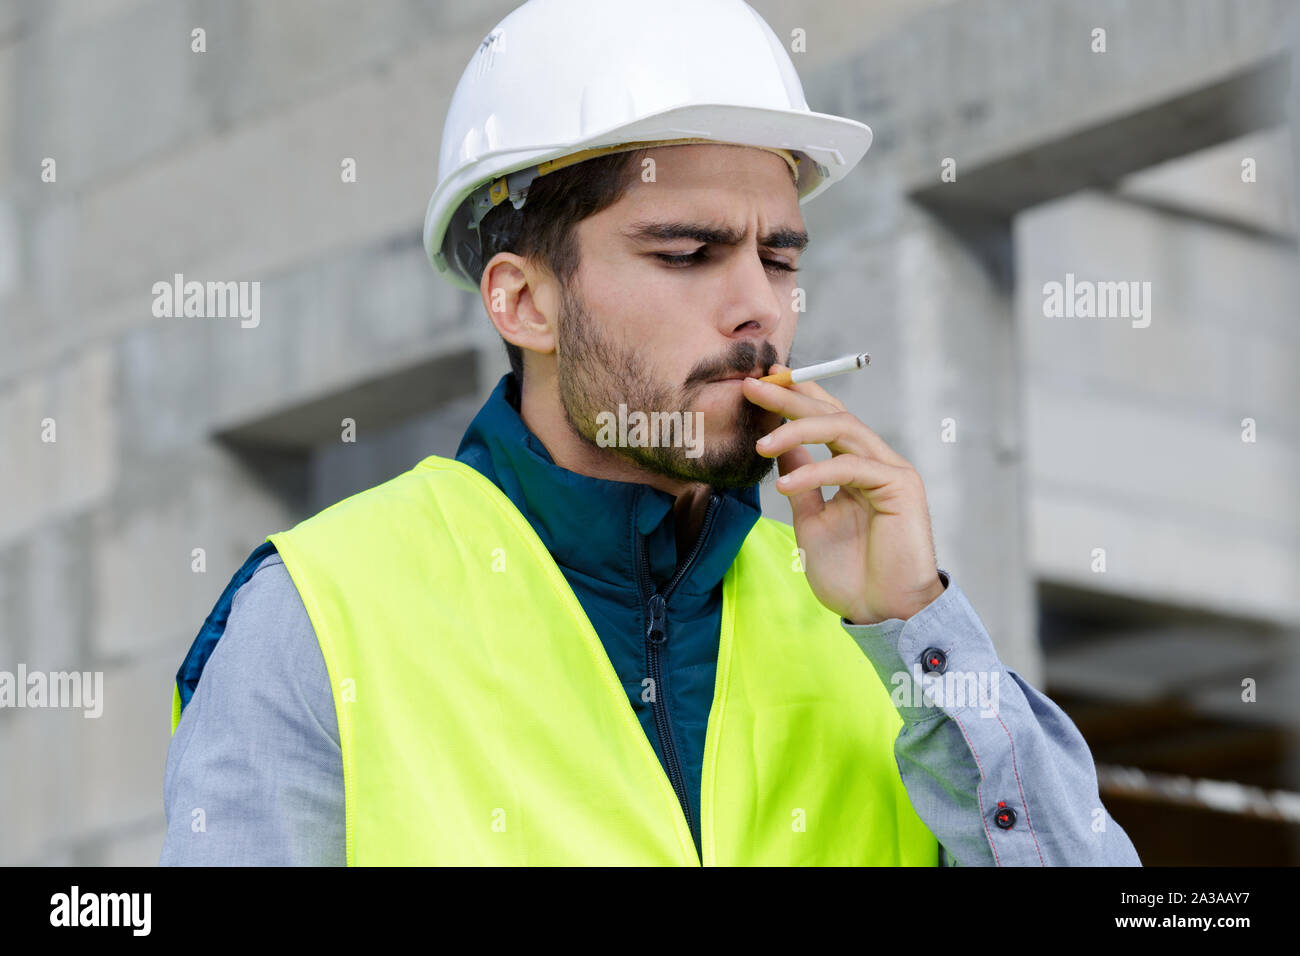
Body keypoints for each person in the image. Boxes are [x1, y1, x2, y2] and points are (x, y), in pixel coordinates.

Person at [162, 0, 1141, 866]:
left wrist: (919, 624)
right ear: (523, 301)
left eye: (778, 257)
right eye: (688, 252)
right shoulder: (319, 617)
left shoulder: (865, 620)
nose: (758, 307)